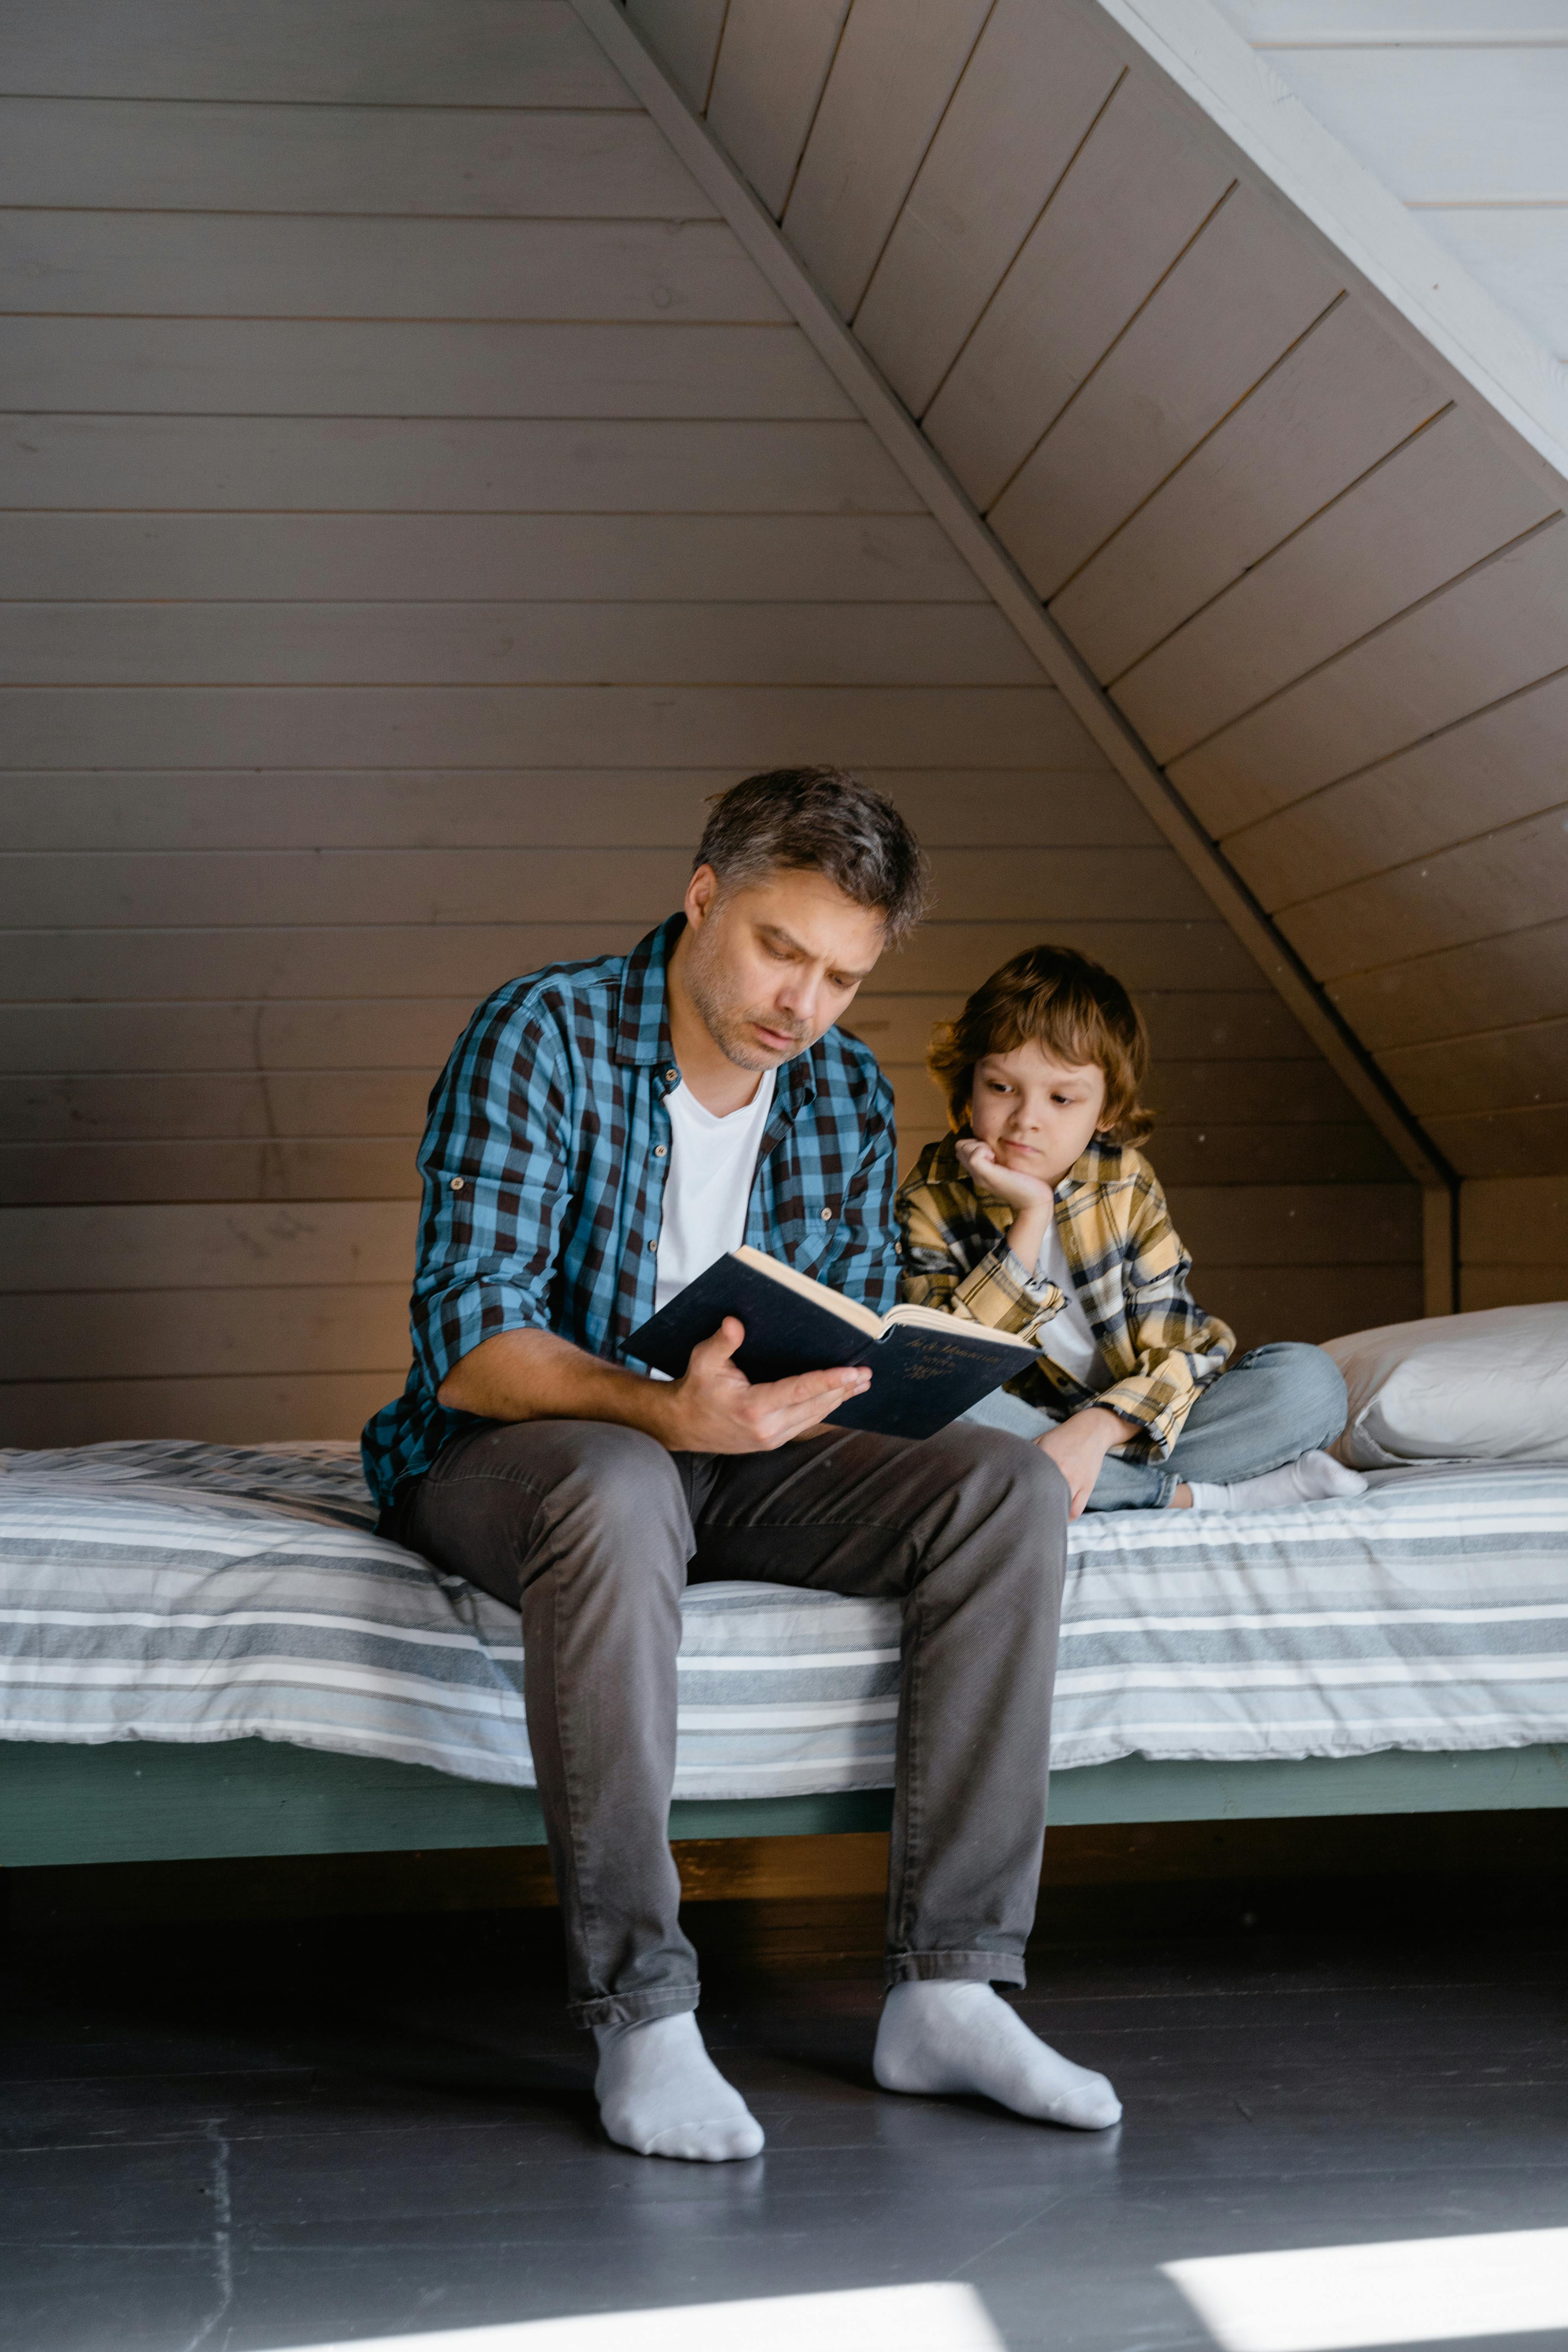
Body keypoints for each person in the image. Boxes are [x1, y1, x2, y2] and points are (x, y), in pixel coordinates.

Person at [363, 771, 1121, 2164]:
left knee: (1005, 1488)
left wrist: (875, 1382)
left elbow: (830, 1324)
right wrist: (663, 1409)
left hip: (739, 1453)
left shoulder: (834, 1086)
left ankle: (950, 1988)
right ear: (703, 896)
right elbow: (469, 1340)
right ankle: (641, 2011)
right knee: (619, 1480)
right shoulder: (541, 1032)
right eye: (782, 948)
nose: (804, 1004)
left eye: (841, 975)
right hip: (513, 1456)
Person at [896, 944, 1367, 1519]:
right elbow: (942, 1365)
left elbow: (1177, 1350)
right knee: (921, 1404)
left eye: (1062, 1097)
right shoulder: (931, 1190)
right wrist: (1030, 1217)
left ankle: (1072, 1475)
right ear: (970, 1083)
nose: (1026, 1119)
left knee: (1311, 1386)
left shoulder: (1124, 1183)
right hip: (1016, 1422)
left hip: (1133, 1420)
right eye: (1001, 1087)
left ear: (1107, 1111)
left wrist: (1095, 1430)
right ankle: (1199, 1498)